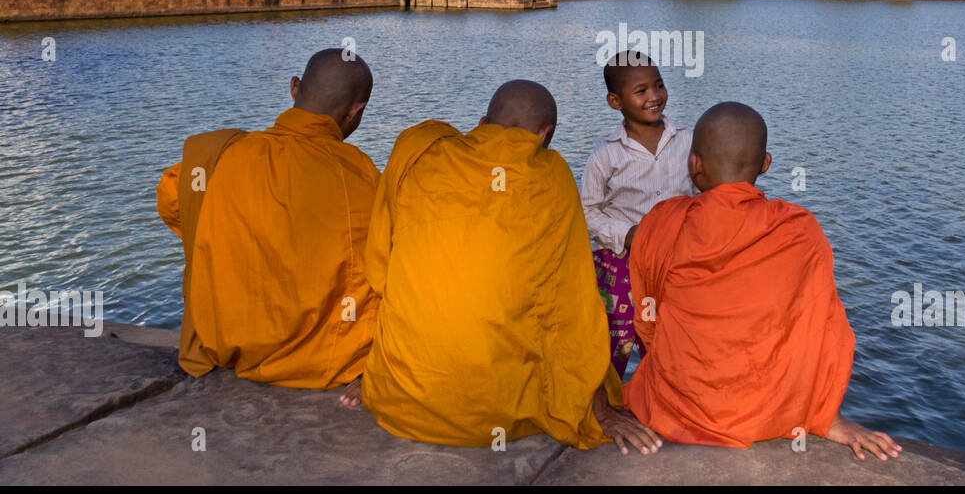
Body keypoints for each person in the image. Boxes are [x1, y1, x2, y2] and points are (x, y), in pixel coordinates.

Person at [350, 80, 661, 456]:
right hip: (496, 414)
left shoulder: (416, 150)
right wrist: (597, 407)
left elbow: (380, 267)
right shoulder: (549, 174)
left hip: (401, 398)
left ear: (481, 123)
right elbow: (571, 307)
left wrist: (379, 363)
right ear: (545, 134)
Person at [622, 102, 903, 462]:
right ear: (765, 163)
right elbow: (824, 330)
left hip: (677, 406)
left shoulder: (664, 221)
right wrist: (827, 416)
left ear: (694, 165)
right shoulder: (798, 228)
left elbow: (647, 319)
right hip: (772, 412)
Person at [155, 48, 380, 388]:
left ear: (294, 88)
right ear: (356, 110)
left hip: (228, 349)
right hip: (329, 361)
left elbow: (173, 202)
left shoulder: (220, 156)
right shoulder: (361, 173)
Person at [580, 51, 695, 378]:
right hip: (620, 264)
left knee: (669, 340)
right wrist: (626, 234)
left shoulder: (688, 141)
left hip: (674, 262)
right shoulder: (605, 155)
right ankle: (604, 405)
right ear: (615, 102)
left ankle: (664, 403)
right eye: (641, 91)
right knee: (614, 340)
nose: (655, 96)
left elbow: (705, 195)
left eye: (659, 85)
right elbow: (587, 212)